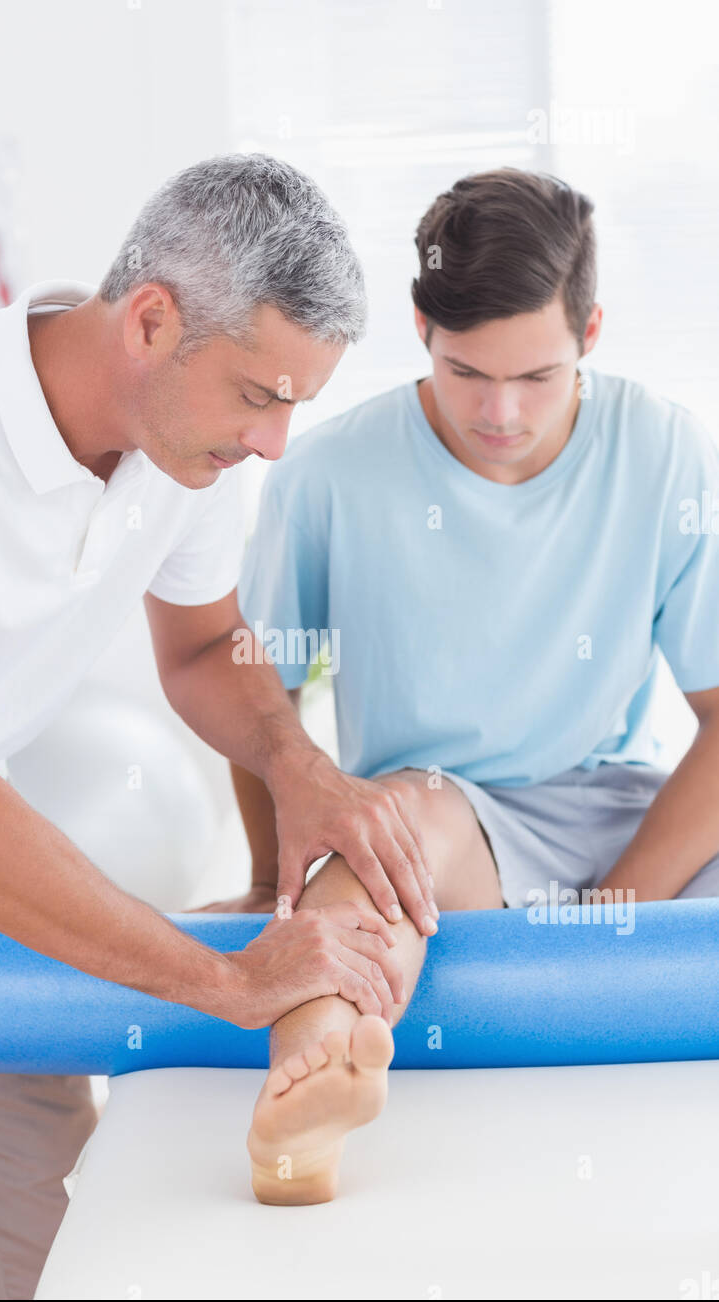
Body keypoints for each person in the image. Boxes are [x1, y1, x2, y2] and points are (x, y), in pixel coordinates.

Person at [0, 153, 439, 1298]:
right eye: (259, 396)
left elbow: (203, 649)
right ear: (152, 320)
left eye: (294, 406)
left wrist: (296, 765)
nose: (271, 445)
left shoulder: (187, 454)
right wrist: (223, 982)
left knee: (76, 1269)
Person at [231, 167, 719, 1206]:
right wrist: (271, 883)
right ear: (418, 328)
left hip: (624, 811)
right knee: (390, 825)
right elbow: (256, 715)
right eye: (465, 373)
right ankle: (305, 1091)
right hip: (438, 823)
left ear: (590, 330)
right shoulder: (323, 476)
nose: (500, 412)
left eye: (535, 377)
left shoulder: (665, 449)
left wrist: (612, 910)